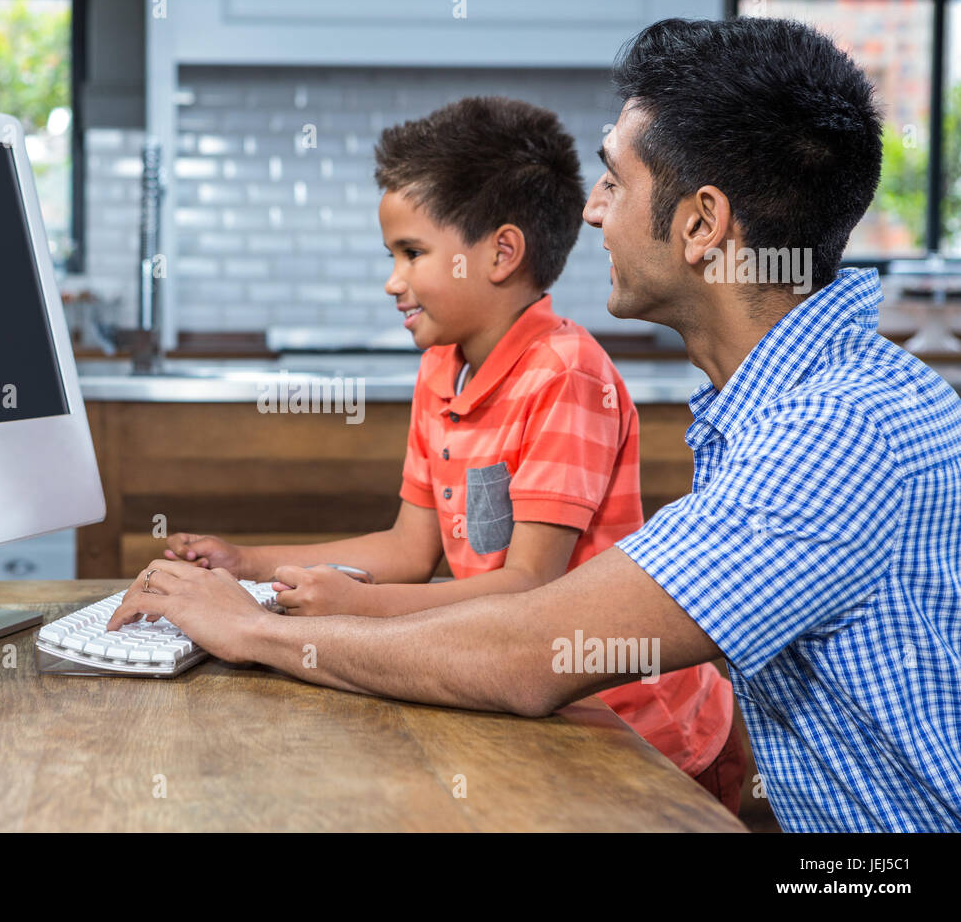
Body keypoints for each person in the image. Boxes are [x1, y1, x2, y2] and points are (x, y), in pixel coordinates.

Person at [113, 18, 961, 832]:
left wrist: (254, 628)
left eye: (615, 181)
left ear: (702, 225)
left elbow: (535, 652)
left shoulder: (834, 433)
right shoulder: (807, 399)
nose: (593, 213)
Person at [158, 96, 740, 809]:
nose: (392, 280)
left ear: (500, 253)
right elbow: (410, 548)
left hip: (641, 733)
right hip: (522, 697)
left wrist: (355, 609)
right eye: (391, 255)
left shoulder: (565, 375)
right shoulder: (443, 365)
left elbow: (531, 588)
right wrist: (247, 563)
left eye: (412, 254)